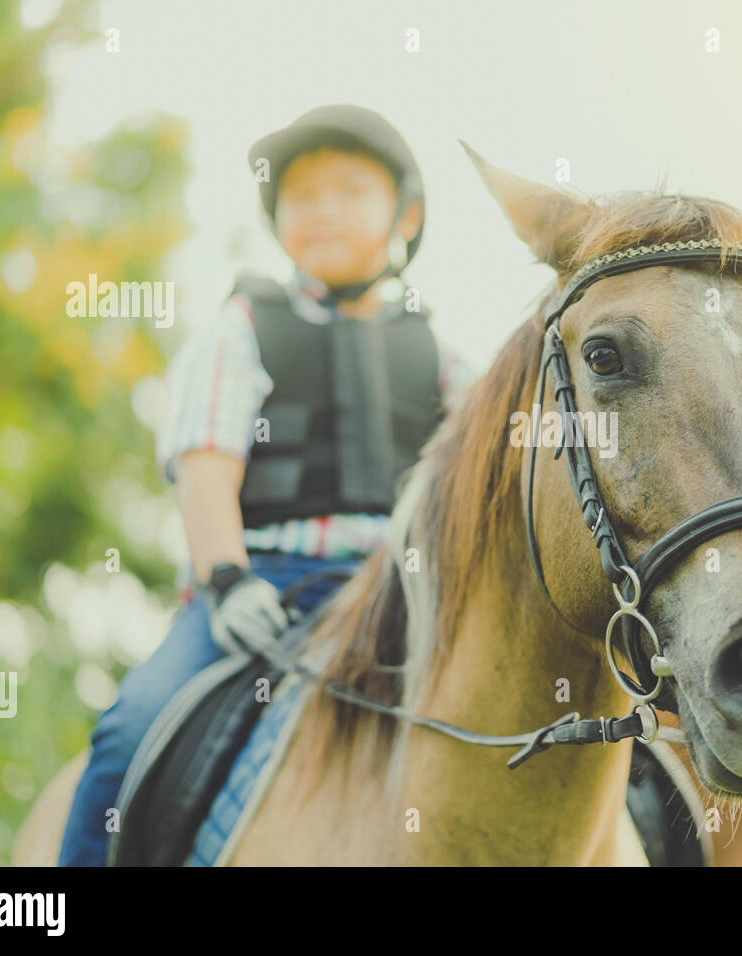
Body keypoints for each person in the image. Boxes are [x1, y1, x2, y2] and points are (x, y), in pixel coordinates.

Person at [58, 105, 475, 866]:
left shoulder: (442, 359)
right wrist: (228, 579)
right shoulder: (243, 329)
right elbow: (206, 469)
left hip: (402, 595)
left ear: (404, 214)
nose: (323, 211)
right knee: (128, 732)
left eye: (350, 191)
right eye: (302, 196)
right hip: (261, 590)